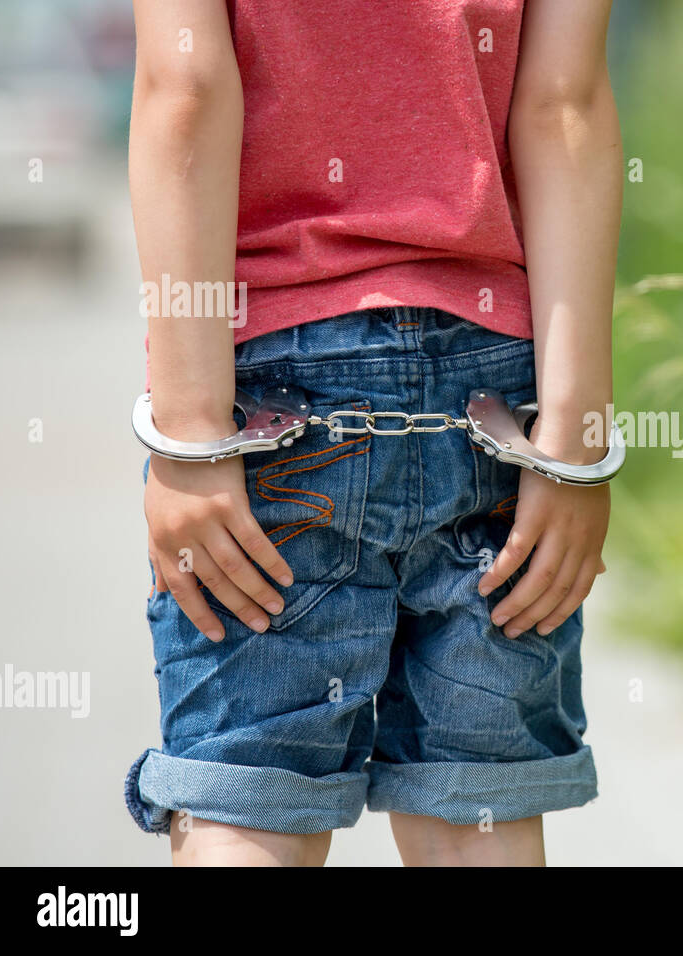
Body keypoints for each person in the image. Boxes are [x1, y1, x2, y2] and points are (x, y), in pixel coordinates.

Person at [123, 0, 620, 867]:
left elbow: (189, 84)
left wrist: (192, 431)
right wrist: (573, 443)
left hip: (270, 392)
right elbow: (562, 106)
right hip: (493, 397)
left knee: (249, 807)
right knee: (480, 823)